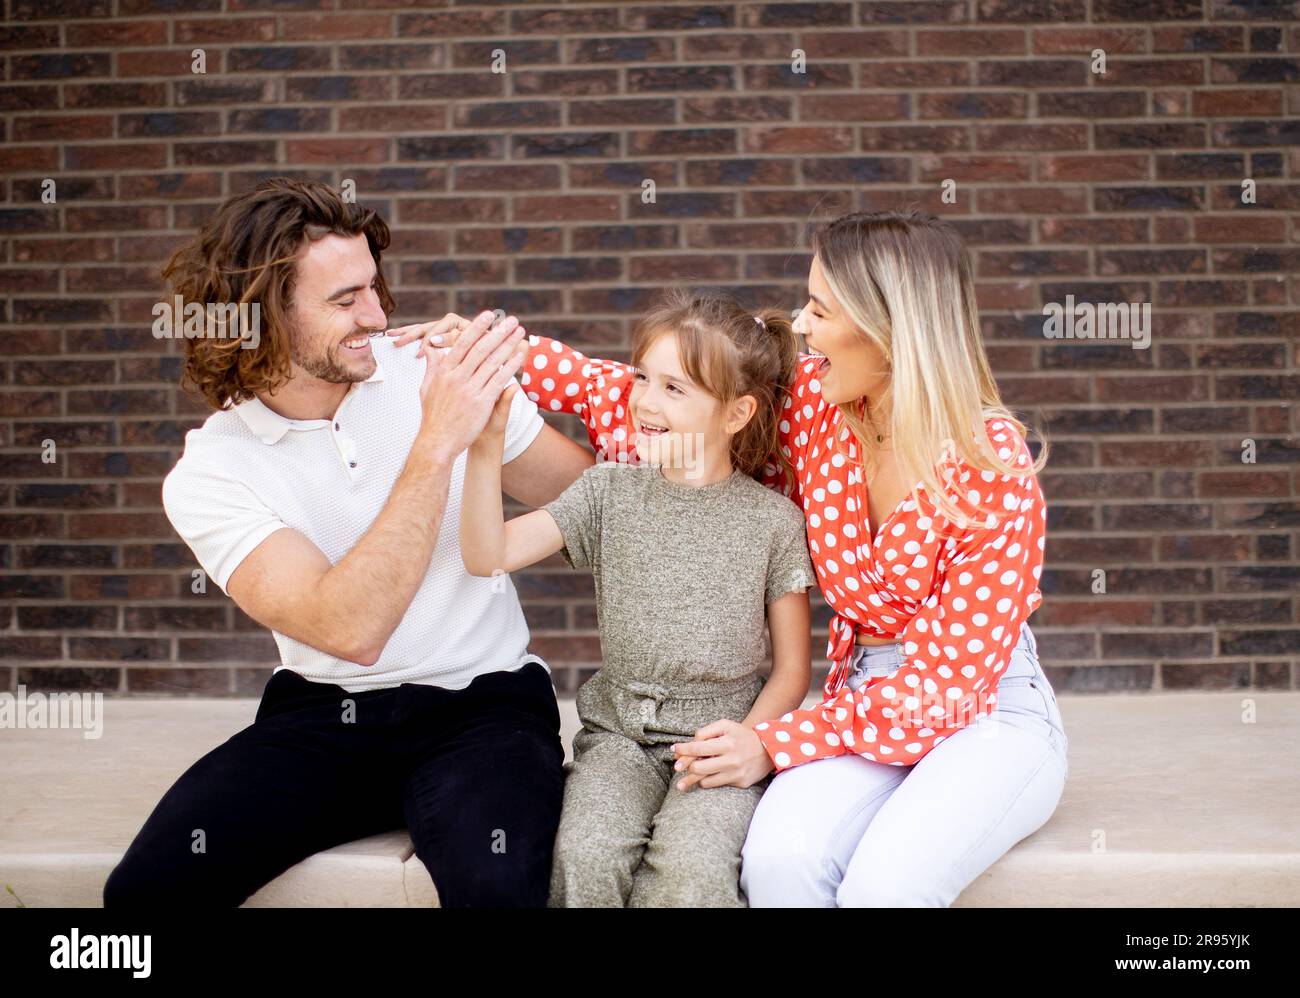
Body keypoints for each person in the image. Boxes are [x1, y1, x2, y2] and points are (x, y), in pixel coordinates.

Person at [500, 209, 1069, 907]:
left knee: (885, 887)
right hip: (861, 694)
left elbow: (942, 690)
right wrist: (494, 352)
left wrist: (774, 740)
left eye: (821, 310)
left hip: (985, 709)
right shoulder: (819, 411)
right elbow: (648, 391)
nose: (800, 324)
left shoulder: (991, 462)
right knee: (776, 863)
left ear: (889, 328)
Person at [102, 177, 596, 908]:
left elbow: (598, 509)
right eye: (344, 300)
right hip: (324, 714)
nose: (378, 313)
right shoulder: (212, 470)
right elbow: (351, 630)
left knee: (497, 886)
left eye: (373, 286)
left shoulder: (437, 374)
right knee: (145, 895)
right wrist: (438, 440)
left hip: (484, 707)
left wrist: (583, 388)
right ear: (265, 317)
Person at [460, 290, 817, 907]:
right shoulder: (605, 494)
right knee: (584, 855)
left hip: (718, 738)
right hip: (618, 736)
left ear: (737, 414)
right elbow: (487, 555)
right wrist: (485, 445)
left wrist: (751, 740)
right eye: (643, 377)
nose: (646, 402)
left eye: (675, 389)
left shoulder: (774, 522)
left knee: (691, 869)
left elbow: (792, 670)